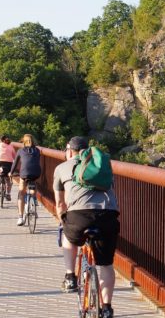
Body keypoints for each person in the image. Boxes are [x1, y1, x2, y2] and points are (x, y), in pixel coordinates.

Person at [54, 136, 119, 318]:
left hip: (79, 216)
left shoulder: (61, 168)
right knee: (106, 264)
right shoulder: (101, 165)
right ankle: (107, 308)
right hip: (107, 215)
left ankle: (70, 277)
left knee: (68, 235)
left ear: (69, 151)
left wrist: (63, 221)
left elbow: (60, 204)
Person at [10, 133, 42, 226]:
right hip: (36, 173)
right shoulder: (37, 150)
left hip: (24, 174)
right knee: (33, 183)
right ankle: (33, 202)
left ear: (23, 141)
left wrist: (11, 173)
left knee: (21, 192)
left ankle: (20, 217)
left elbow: (15, 163)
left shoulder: (20, 150)